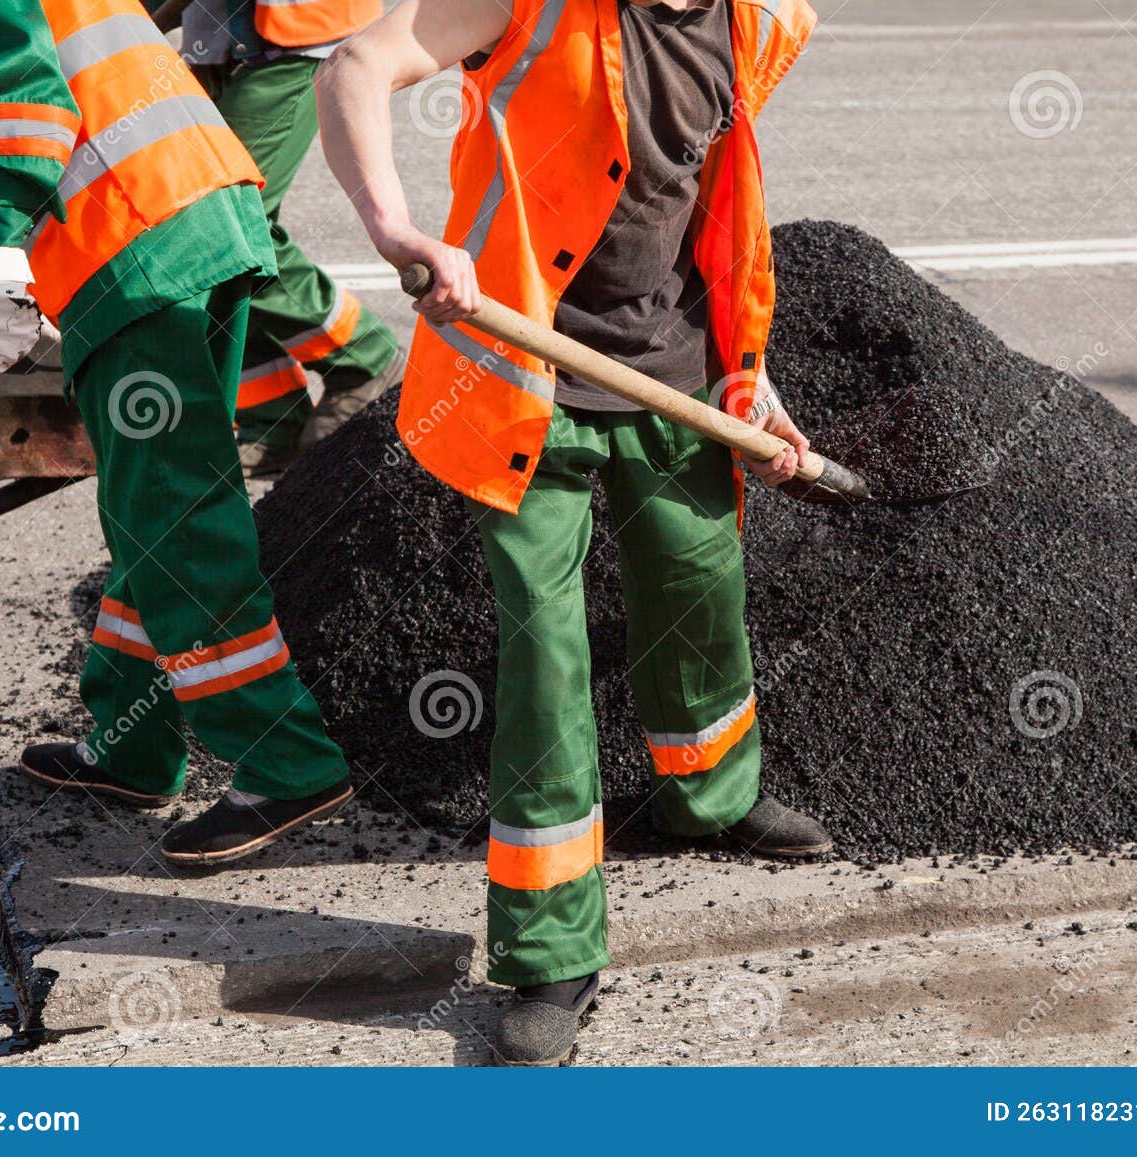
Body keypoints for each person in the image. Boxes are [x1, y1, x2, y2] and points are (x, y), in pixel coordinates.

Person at [317, 0, 833, 1065]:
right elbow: (353, 68)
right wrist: (396, 230)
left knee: (698, 585)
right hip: (527, 377)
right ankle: (551, 949)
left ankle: (710, 794)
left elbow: (708, 199)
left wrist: (749, 370)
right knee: (547, 653)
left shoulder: (755, 19)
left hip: (674, 373)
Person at [0, 0, 355, 866]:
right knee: (153, 500)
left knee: (175, 510)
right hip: (197, 200)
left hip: (132, 236)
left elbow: (25, 90)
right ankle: (133, 745)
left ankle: (286, 759)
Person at [176, 0, 403, 476]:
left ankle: (364, 355)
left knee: (225, 222)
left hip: (298, 36)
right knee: (194, 227)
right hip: (219, 38)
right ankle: (271, 416)